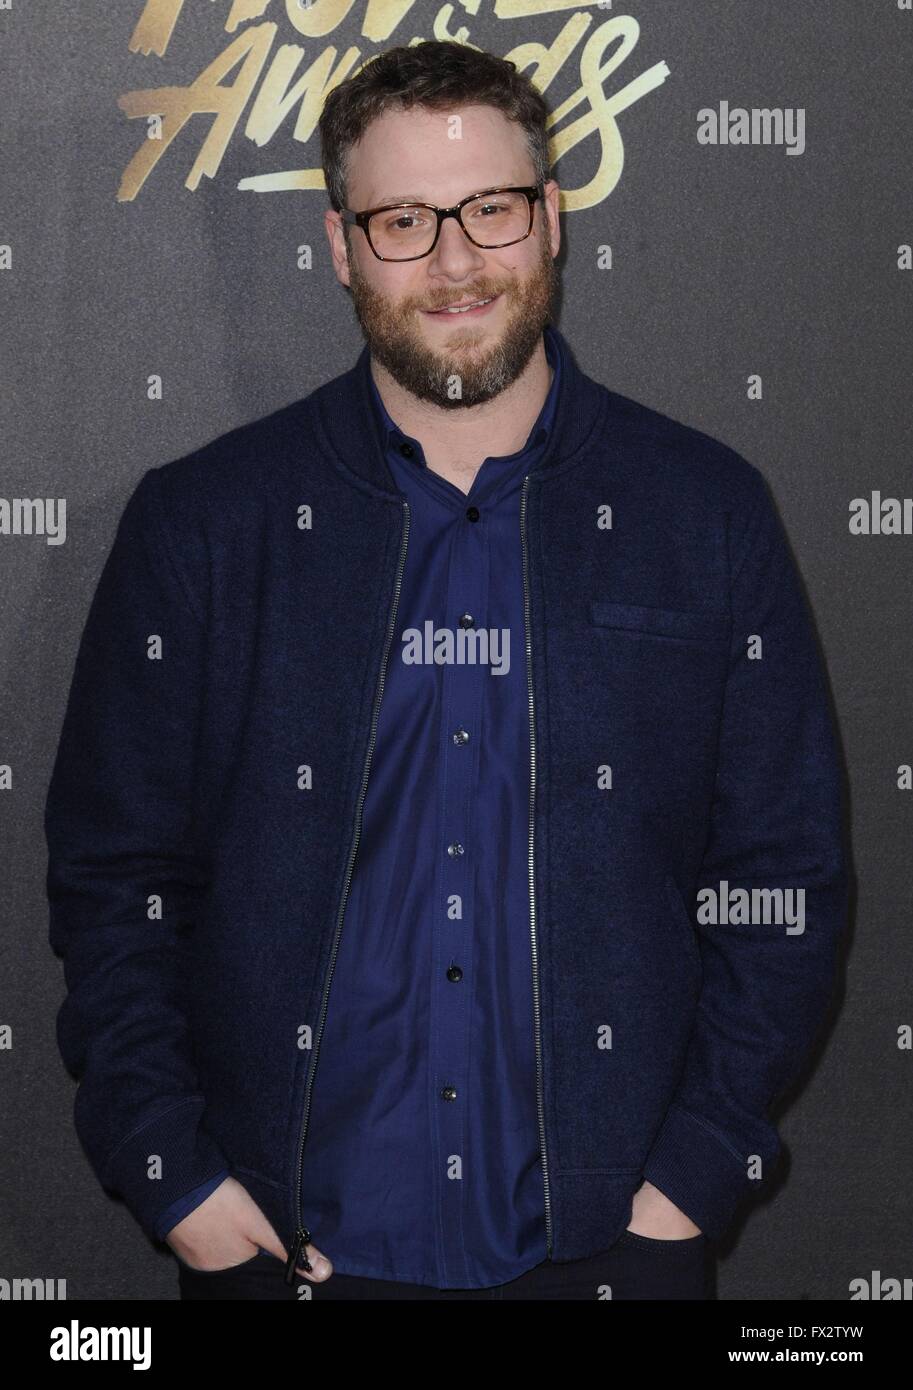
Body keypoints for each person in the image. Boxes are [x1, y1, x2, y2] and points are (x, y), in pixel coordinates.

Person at [45, 40, 848, 1302]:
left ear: (552, 216)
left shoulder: (704, 512)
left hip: (607, 1254)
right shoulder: (205, 524)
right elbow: (116, 882)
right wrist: (179, 1185)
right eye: (405, 220)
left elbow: (783, 880)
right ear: (340, 242)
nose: (457, 261)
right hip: (285, 1250)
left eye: (491, 209)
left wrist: (689, 1180)